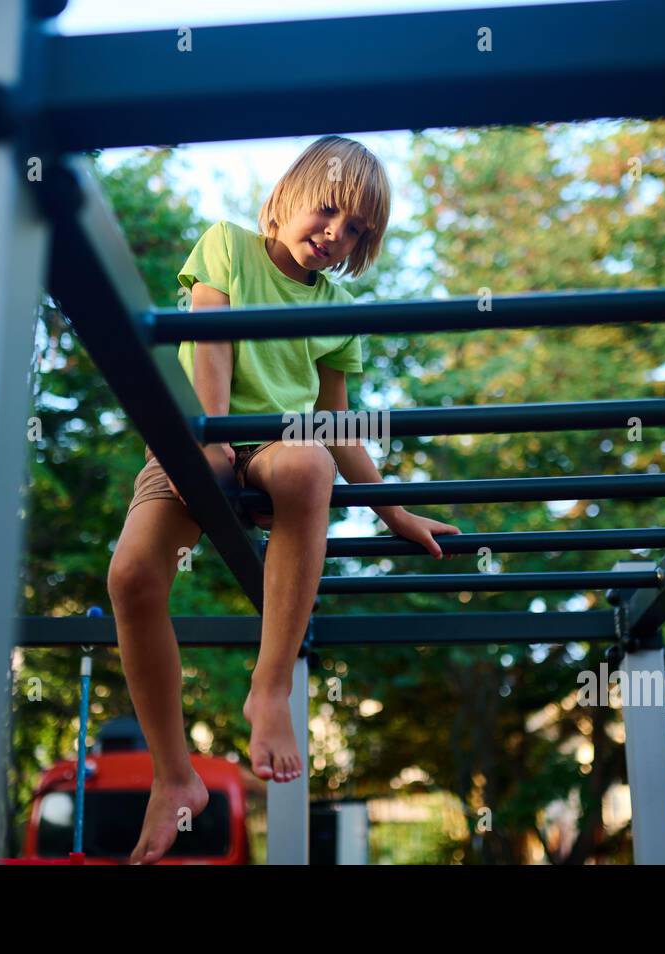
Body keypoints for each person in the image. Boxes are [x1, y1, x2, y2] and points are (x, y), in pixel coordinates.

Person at [108, 135, 460, 864]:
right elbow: (209, 341)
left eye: (357, 229)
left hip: (276, 456)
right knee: (132, 577)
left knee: (306, 463)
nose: (337, 234)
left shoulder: (339, 309)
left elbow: (336, 419)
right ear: (289, 196)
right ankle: (174, 778)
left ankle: (270, 690)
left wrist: (393, 508)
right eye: (329, 211)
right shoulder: (228, 246)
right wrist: (205, 438)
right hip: (193, 444)